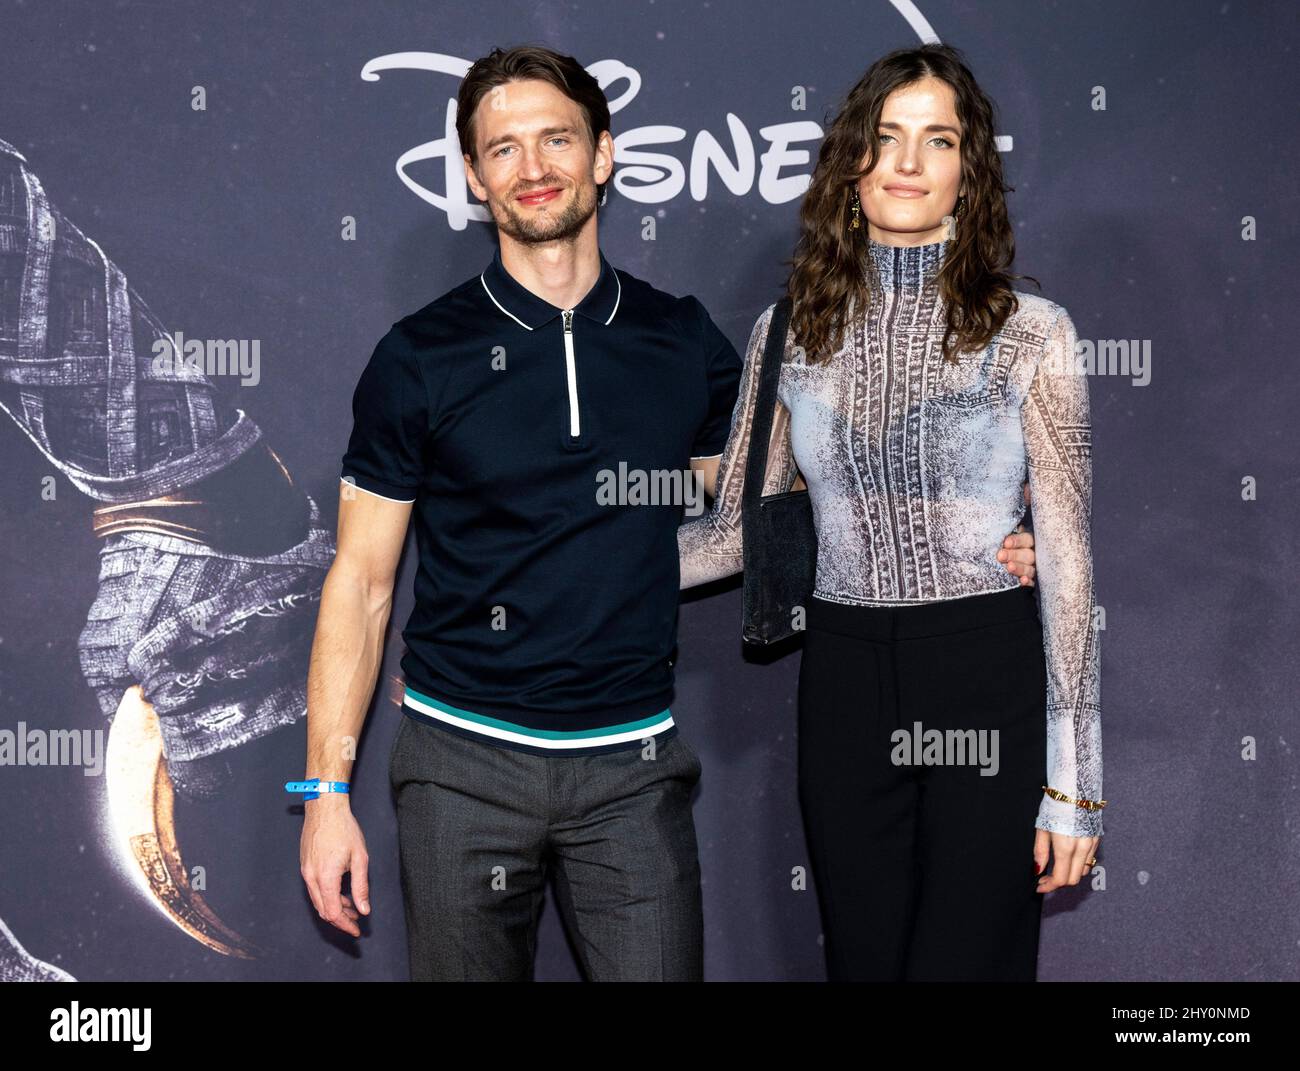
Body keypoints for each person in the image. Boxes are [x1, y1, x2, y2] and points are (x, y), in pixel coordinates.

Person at [300, 43, 1038, 982]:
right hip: (461, 766)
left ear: (604, 154)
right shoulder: (419, 356)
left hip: (632, 772)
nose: (534, 169)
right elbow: (362, 581)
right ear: (476, 178)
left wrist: (980, 532)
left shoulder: (681, 339)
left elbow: (791, 498)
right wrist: (327, 791)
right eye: (503, 150)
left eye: (557, 139)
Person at [678, 43, 1102, 981]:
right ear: (850, 164)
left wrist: (1077, 789)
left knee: (971, 964)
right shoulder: (790, 328)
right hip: (844, 683)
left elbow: (1068, 569)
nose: (909, 163)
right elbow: (723, 541)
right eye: (885, 138)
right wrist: (560, 553)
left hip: (983, 670)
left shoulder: (1033, 331)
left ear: (968, 170)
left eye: (937, 140)